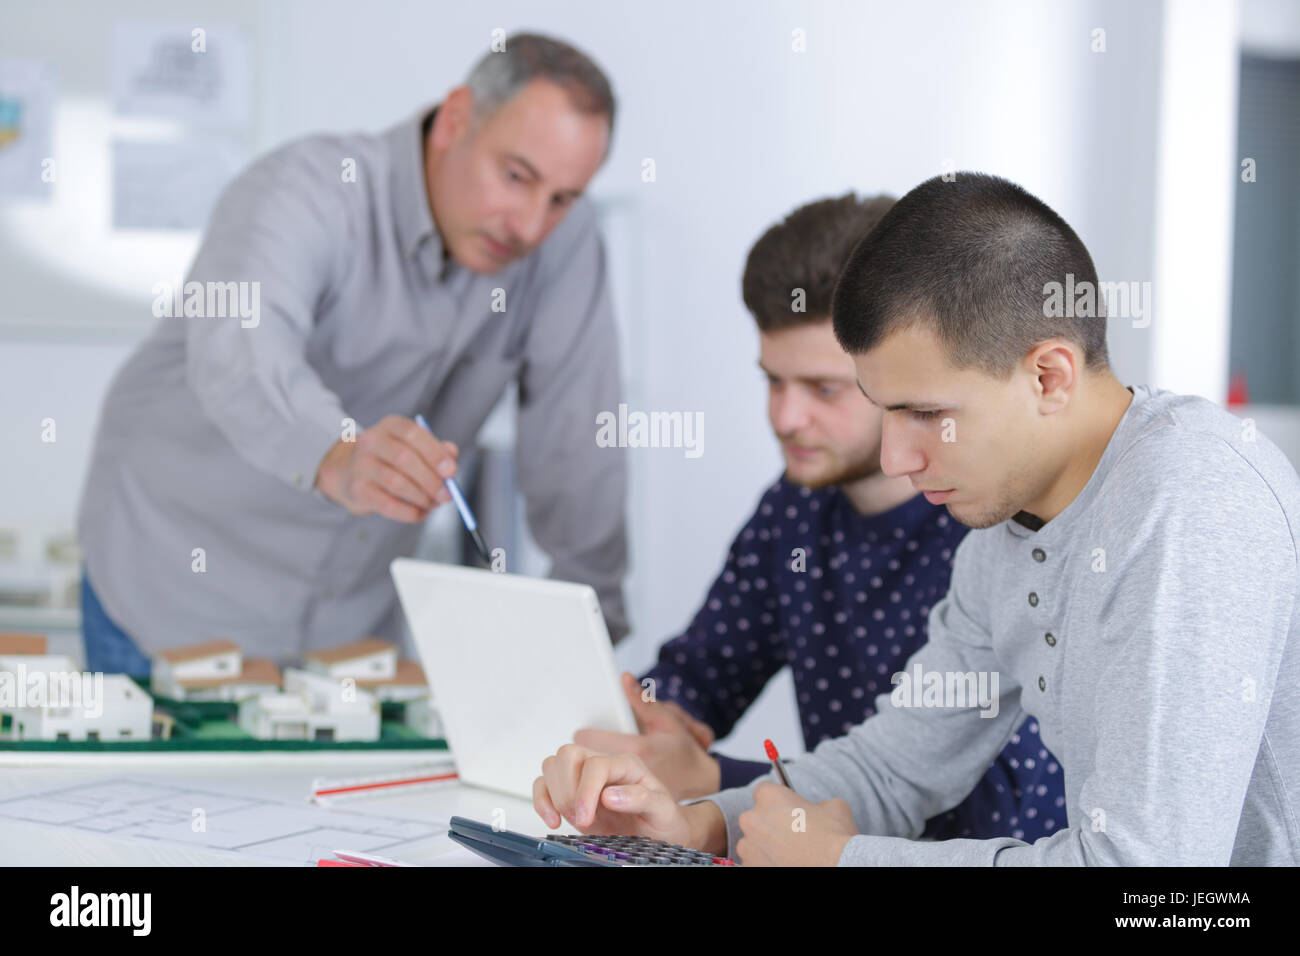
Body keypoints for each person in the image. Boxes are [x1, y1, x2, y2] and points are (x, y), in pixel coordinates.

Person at [533, 172, 1300, 865]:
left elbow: (1150, 884)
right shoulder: (1002, 533)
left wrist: (843, 863)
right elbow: (894, 766)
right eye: (882, 411)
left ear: (1049, 375)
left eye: (926, 413)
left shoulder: (1190, 495)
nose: (898, 456)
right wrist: (695, 825)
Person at [76, 33, 629, 673]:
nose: (531, 225)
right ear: (455, 119)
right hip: (171, 597)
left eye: (562, 198)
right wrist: (338, 454)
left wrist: (591, 634)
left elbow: (578, 443)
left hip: (349, 630)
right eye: (515, 177)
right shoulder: (307, 188)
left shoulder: (561, 245)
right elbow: (239, 348)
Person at [574, 193, 1064, 841]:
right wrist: (657, 725)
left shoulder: (994, 516)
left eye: (824, 389)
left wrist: (713, 779)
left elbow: (994, 807)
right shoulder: (796, 508)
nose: (785, 418)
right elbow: (705, 670)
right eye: (773, 382)